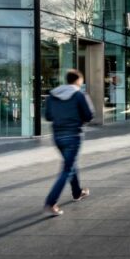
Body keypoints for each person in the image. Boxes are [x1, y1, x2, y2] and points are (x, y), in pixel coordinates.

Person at [43, 69, 94, 216]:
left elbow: (48, 116)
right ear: (78, 80)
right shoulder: (79, 95)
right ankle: (50, 203)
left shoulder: (53, 95)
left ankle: (77, 192)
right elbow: (89, 115)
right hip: (73, 135)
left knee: (70, 164)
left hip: (57, 136)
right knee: (67, 169)